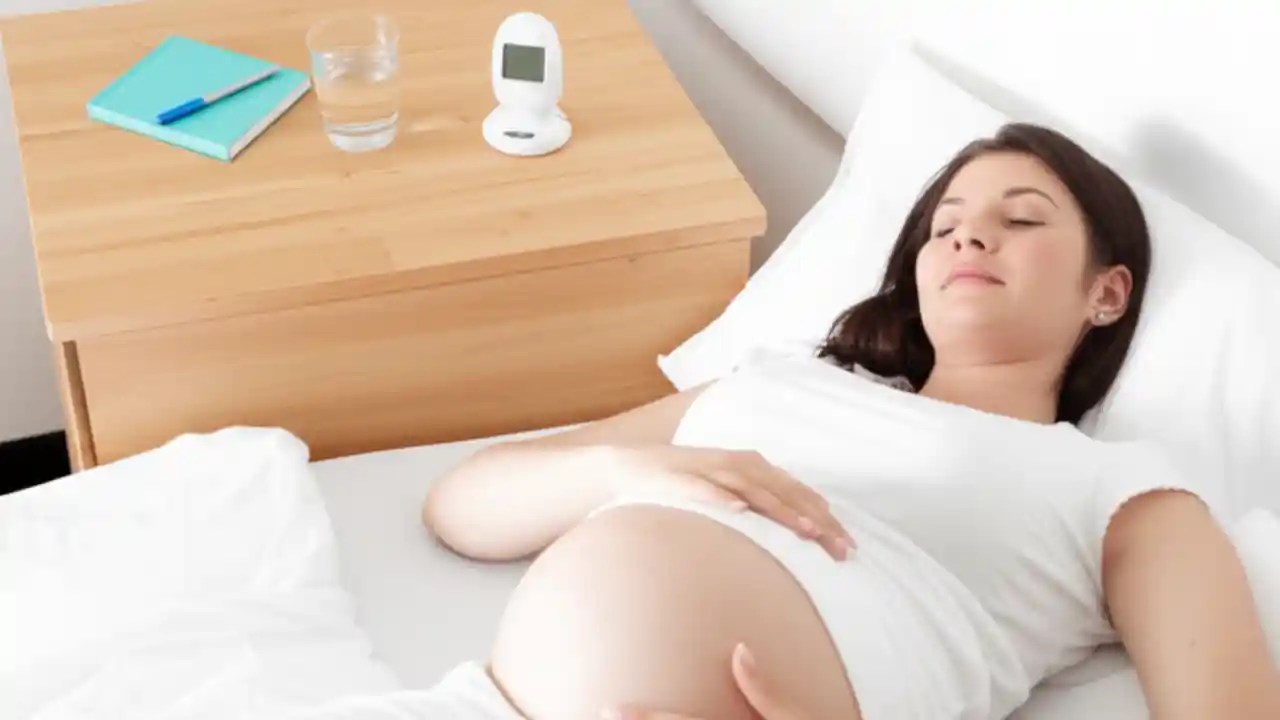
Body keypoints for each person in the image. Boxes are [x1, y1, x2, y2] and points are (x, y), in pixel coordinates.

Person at [422, 123, 1279, 720]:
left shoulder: (1118, 489)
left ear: (1107, 292)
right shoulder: (787, 380)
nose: (968, 238)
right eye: (944, 227)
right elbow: (460, 505)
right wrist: (622, 471)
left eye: (1018, 220)